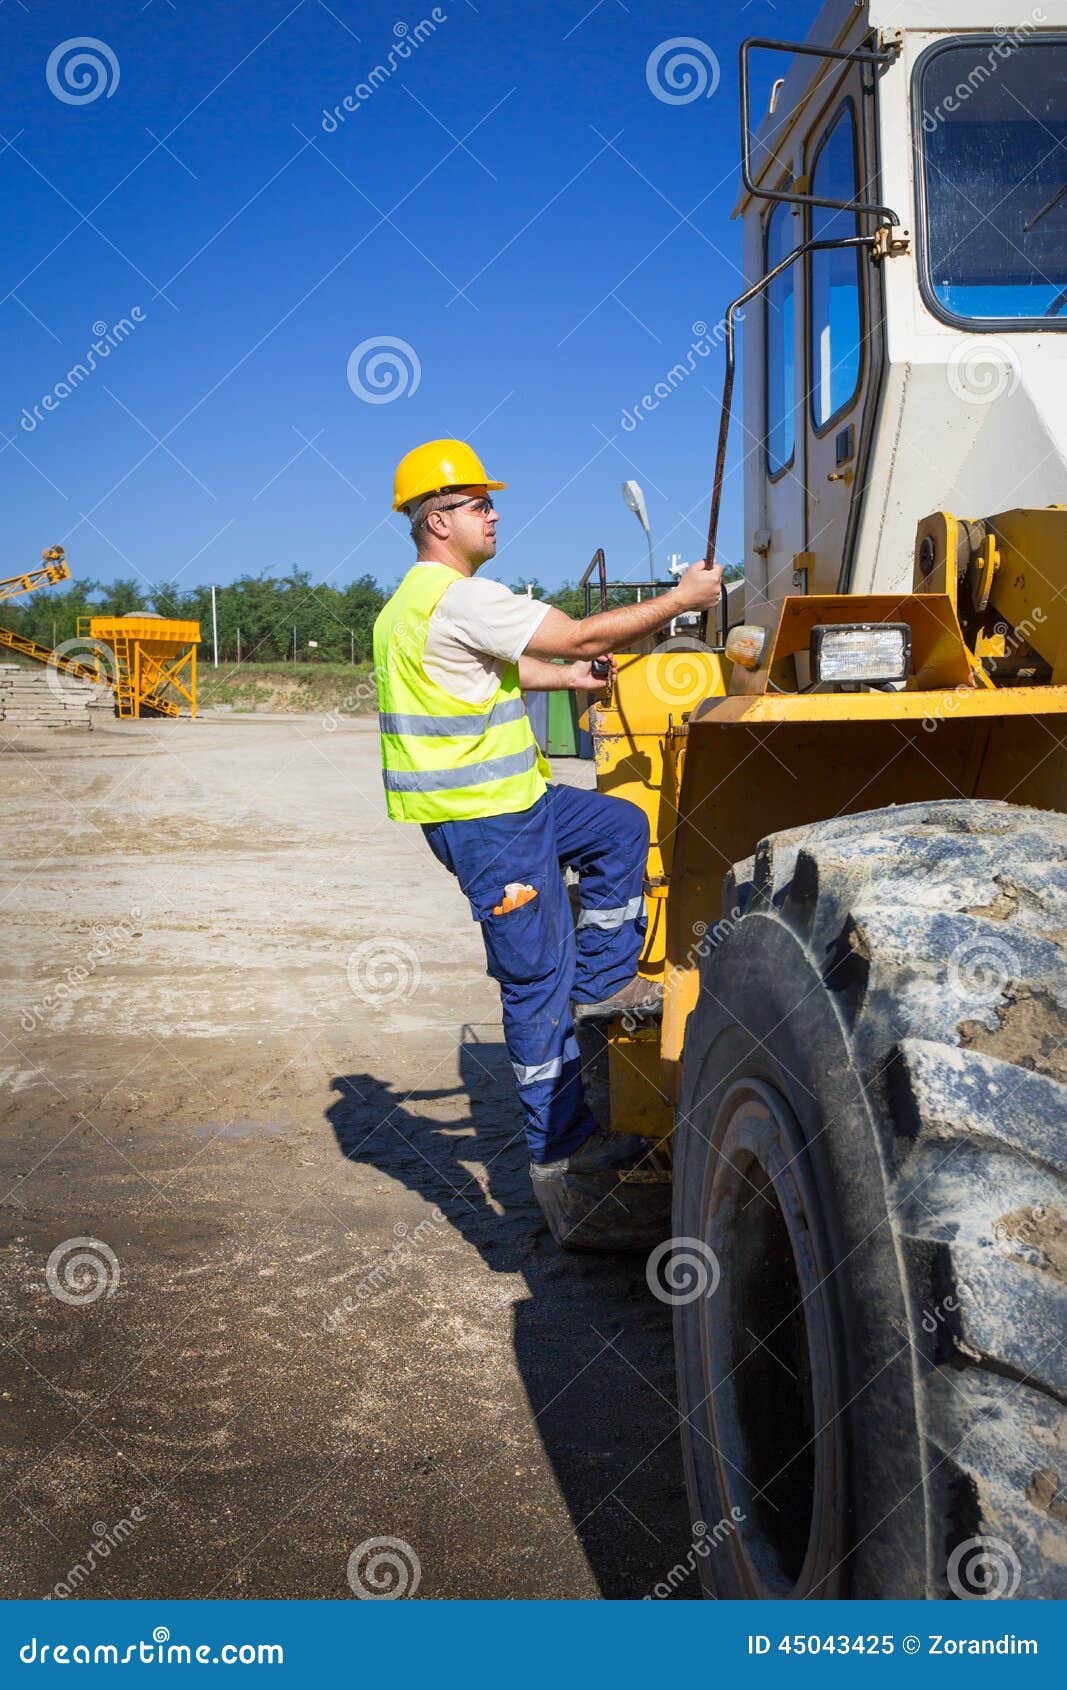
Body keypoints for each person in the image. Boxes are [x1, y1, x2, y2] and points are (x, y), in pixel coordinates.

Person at [372, 439, 723, 1247]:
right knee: (532, 983)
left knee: (616, 827)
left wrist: (561, 683)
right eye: (476, 504)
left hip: (513, 805)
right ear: (437, 519)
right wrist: (680, 599)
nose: (493, 512)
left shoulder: (411, 608)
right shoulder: (461, 597)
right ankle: (560, 1152)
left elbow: (491, 672)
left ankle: (598, 986)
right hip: (489, 824)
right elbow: (577, 635)